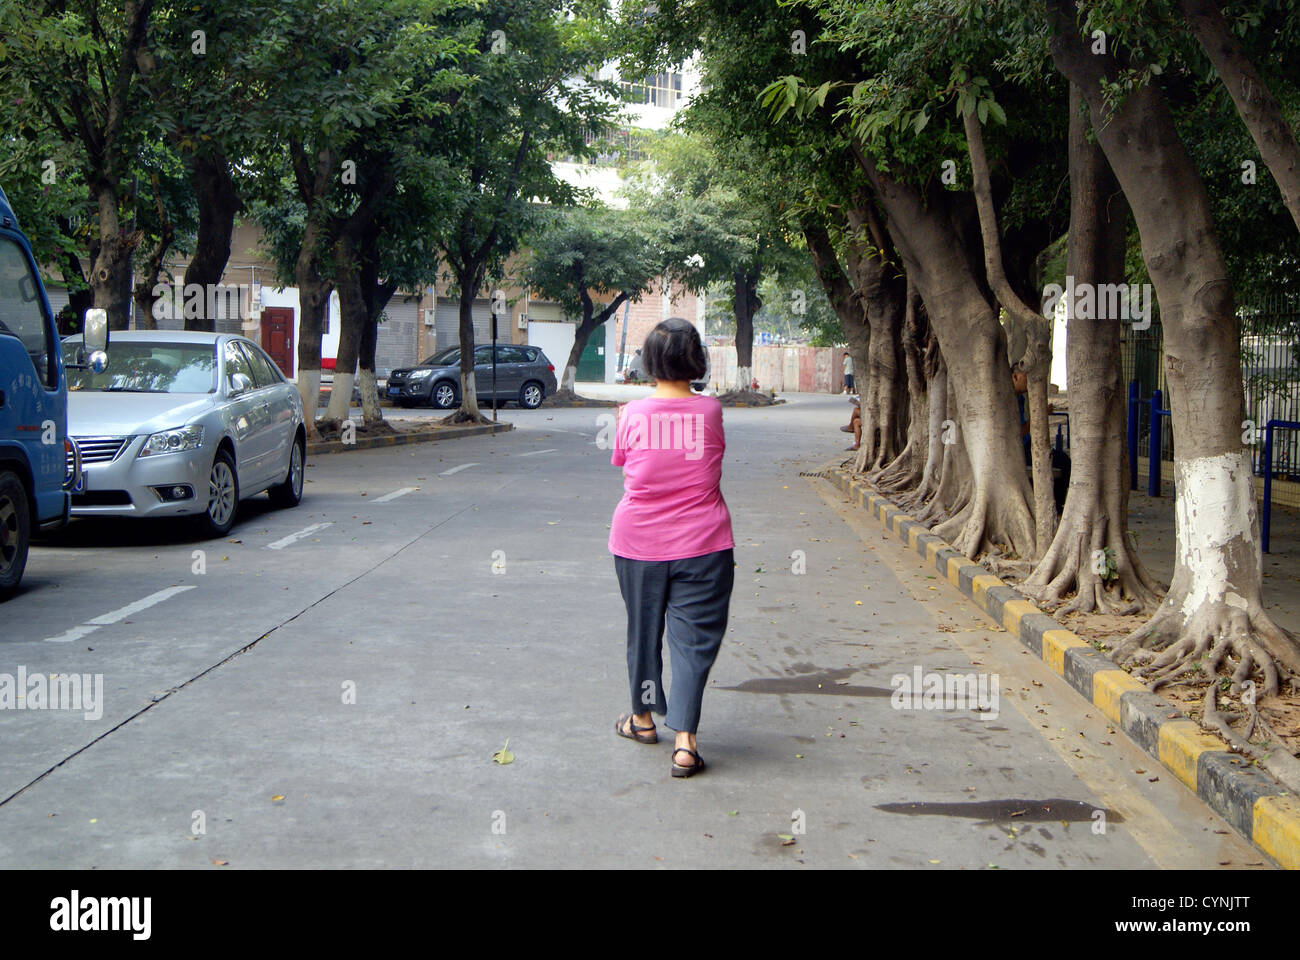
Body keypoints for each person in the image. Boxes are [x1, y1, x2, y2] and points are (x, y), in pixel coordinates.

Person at [609, 318, 735, 778]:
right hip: (703, 544)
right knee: (692, 641)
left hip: (638, 542)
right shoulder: (711, 412)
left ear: (650, 361)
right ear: (695, 359)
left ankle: (642, 720)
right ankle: (685, 742)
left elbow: (626, 464)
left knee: (643, 633)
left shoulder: (630, 415)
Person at [1011, 365, 1071, 511]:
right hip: (1018, 450)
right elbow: (1017, 432)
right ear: (1015, 377)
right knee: (1061, 461)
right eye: (1026, 377)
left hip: (1028, 444)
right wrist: (1039, 414)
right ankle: (1056, 506)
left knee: (1061, 459)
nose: (1029, 382)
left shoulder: (1020, 398)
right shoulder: (1009, 399)